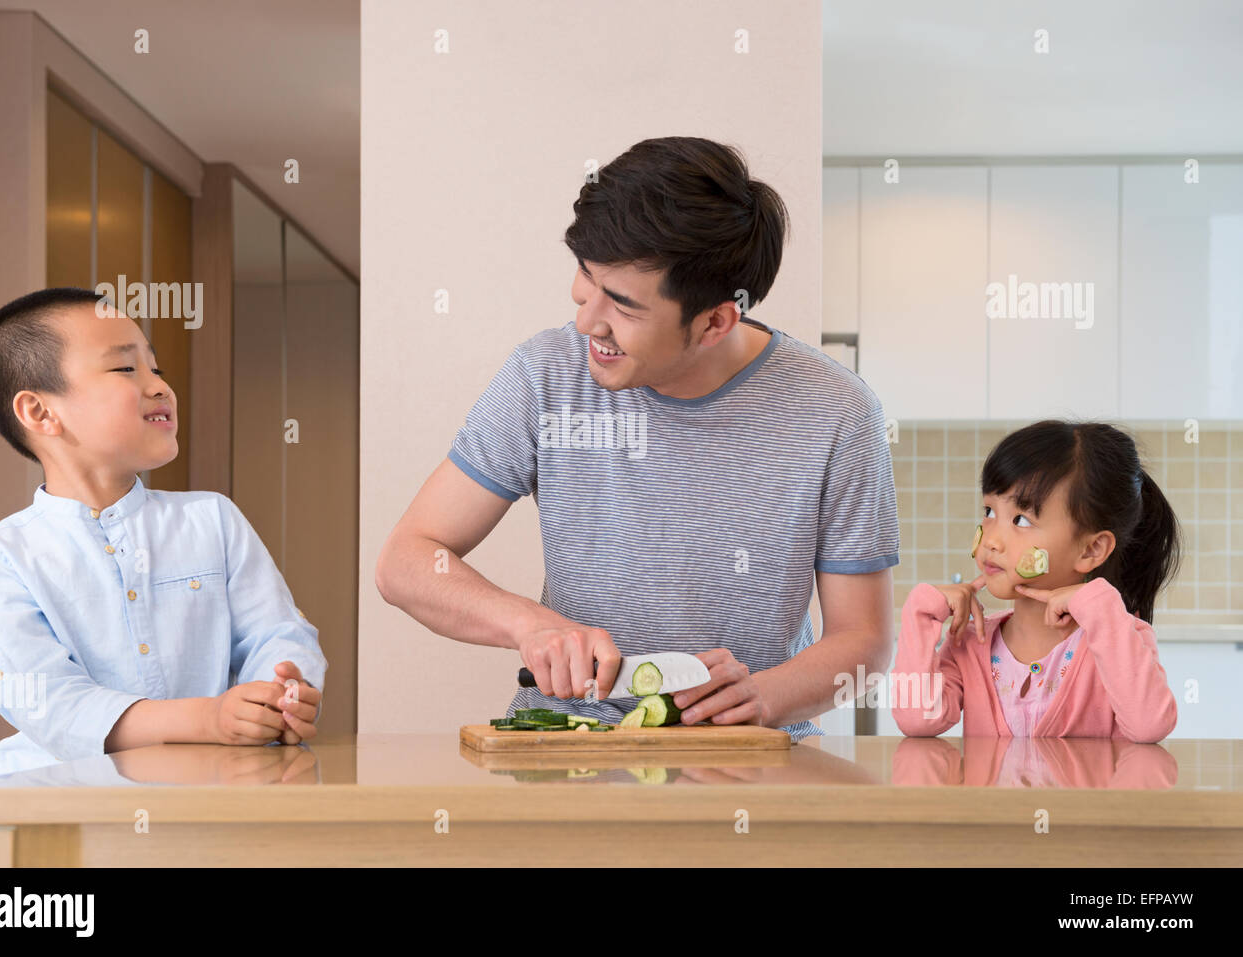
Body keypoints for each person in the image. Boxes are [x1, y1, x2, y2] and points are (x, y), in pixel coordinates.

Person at [377, 136, 899, 739]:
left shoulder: (837, 411)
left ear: (714, 321)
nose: (586, 319)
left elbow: (864, 641)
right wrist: (530, 623)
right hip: (571, 753)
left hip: (748, 762)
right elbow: (409, 558)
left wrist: (762, 696)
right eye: (584, 275)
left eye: (622, 304)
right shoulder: (545, 375)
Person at [0, 287, 326, 775]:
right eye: (126, 368)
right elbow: (48, 701)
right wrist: (208, 718)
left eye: (157, 368)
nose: (159, 387)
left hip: (217, 793)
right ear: (40, 412)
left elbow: (277, 633)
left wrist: (279, 697)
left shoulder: (212, 518)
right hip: (59, 812)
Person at [891, 420, 1179, 742]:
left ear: (1091, 549)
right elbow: (915, 719)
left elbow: (1149, 726)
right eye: (988, 511)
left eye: (1021, 520)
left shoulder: (1122, 637)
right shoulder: (970, 643)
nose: (992, 541)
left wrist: (1102, 607)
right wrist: (920, 613)